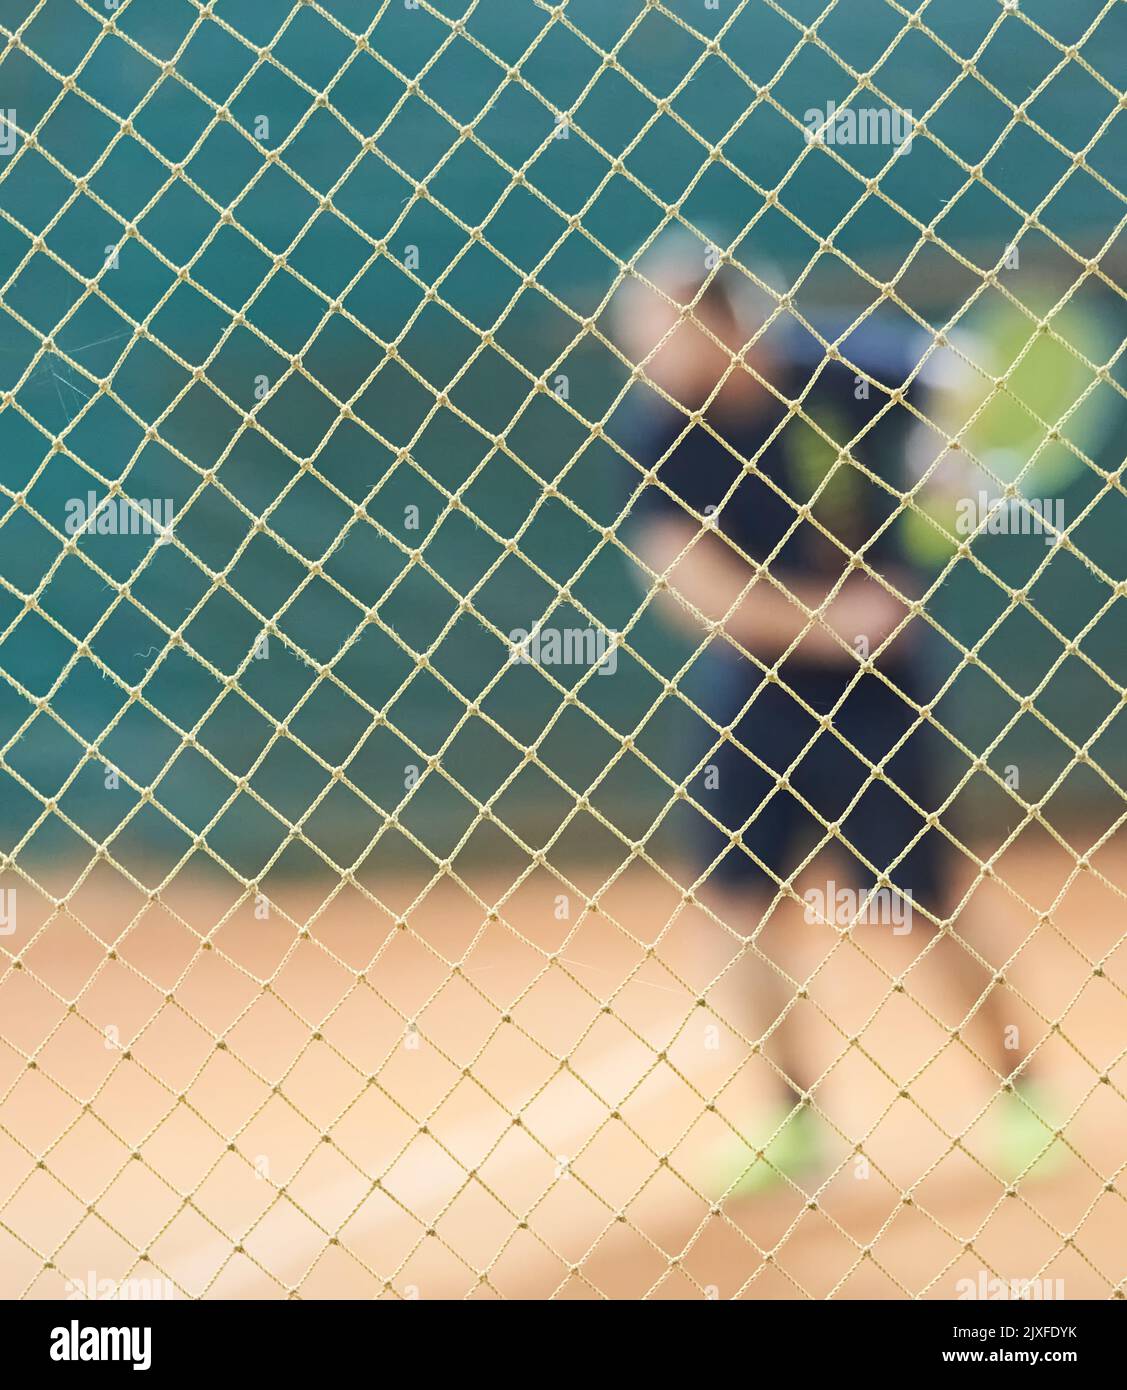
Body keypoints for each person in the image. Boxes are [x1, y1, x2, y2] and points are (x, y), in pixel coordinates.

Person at [612, 235, 1058, 1194]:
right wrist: (831, 622)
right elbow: (689, 588)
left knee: (912, 904)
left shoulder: (847, 368)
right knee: (734, 908)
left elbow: (976, 379)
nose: (647, 358)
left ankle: (1024, 1093)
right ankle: (792, 1126)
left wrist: (957, 458)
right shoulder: (659, 430)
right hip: (754, 694)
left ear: (719, 319)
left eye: (659, 335)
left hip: (876, 696)